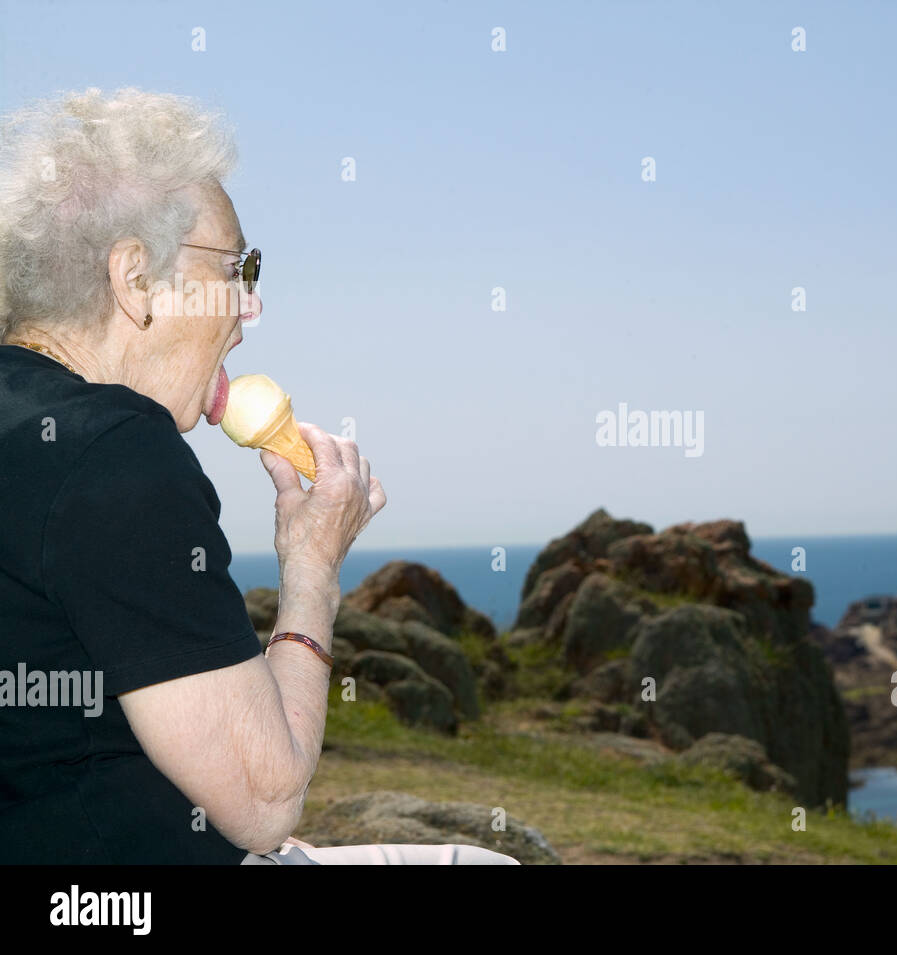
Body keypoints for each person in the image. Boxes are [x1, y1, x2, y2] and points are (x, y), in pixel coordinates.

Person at [0, 87, 517, 865]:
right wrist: (312, 567)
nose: (252, 305)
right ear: (134, 279)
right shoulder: (116, 457)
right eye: (239, 265)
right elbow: (265, 800)